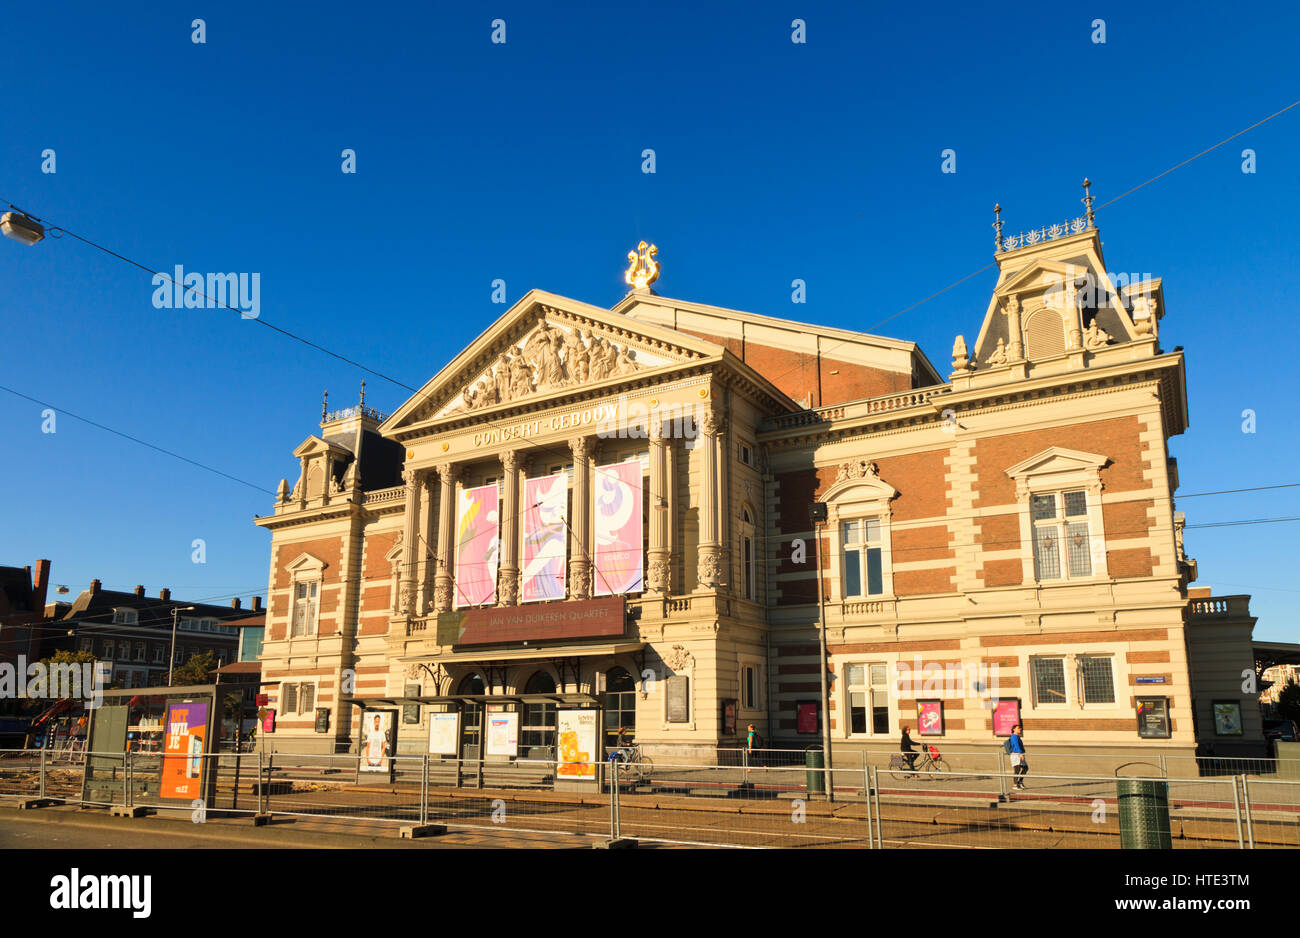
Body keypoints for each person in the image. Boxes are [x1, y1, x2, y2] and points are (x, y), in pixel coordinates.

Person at [1008, 724, 1028, 789]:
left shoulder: (1017, 736)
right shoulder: (1014, 736)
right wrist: (1021, 754)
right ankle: (1015, 785)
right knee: (1017, 769)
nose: (1020, 729)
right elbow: (1017, 745)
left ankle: (1020, 782)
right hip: (1016, 755)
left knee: (1025, 768)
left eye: (1020, 728)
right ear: (1014, 729)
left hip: (1018, 754)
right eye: (1018, 728)